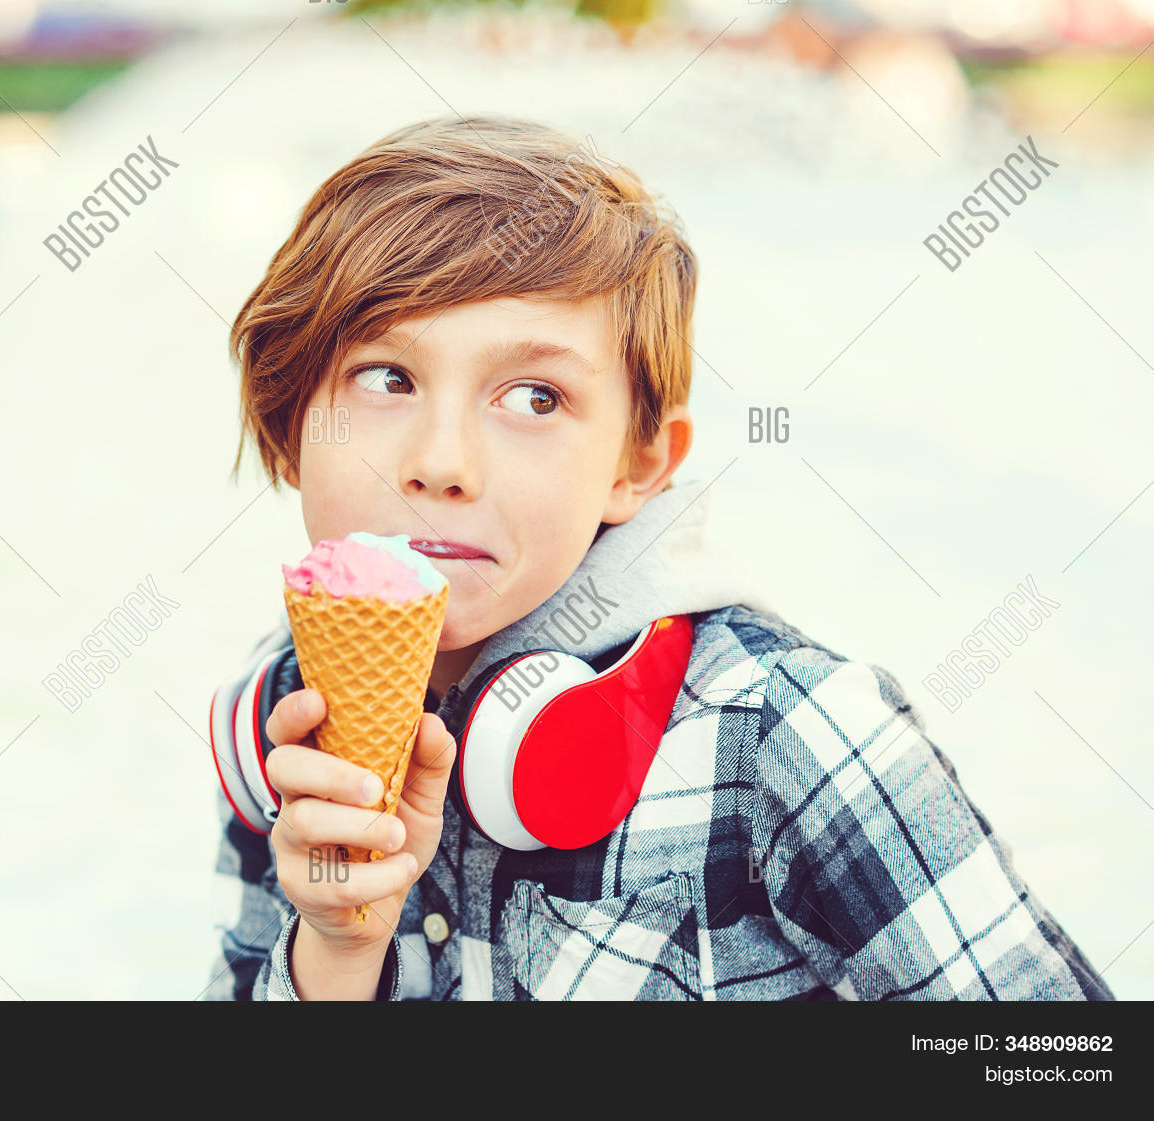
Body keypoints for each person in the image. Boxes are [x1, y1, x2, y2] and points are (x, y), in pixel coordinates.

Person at [203, 114, 1113, 1001]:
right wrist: (333, 959)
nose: (441, 463)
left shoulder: (786, 733)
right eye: (387, 378)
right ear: (292, 427)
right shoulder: (286, 730)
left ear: (638, 464)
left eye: (533, 396)